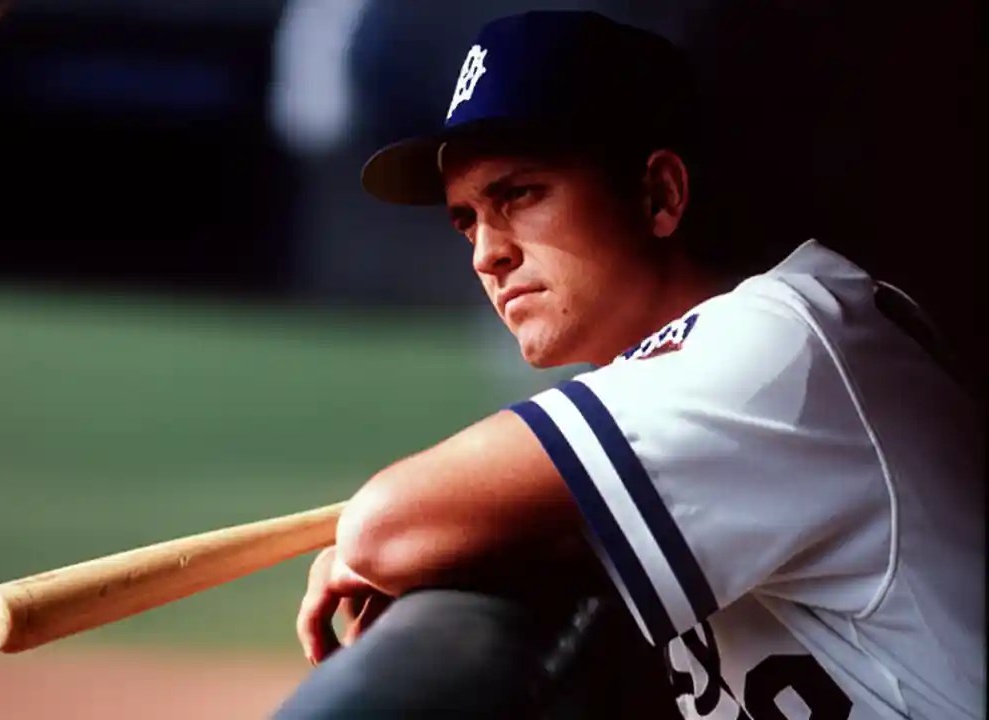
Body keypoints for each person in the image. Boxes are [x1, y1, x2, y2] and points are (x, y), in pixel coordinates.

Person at [274, 10, 984, 719]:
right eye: (467, 219)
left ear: (659, 194)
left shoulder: (773, 345)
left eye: (519, 195)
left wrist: (388, 541)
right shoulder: (736, 355)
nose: (487, 253)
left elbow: (385, 527)